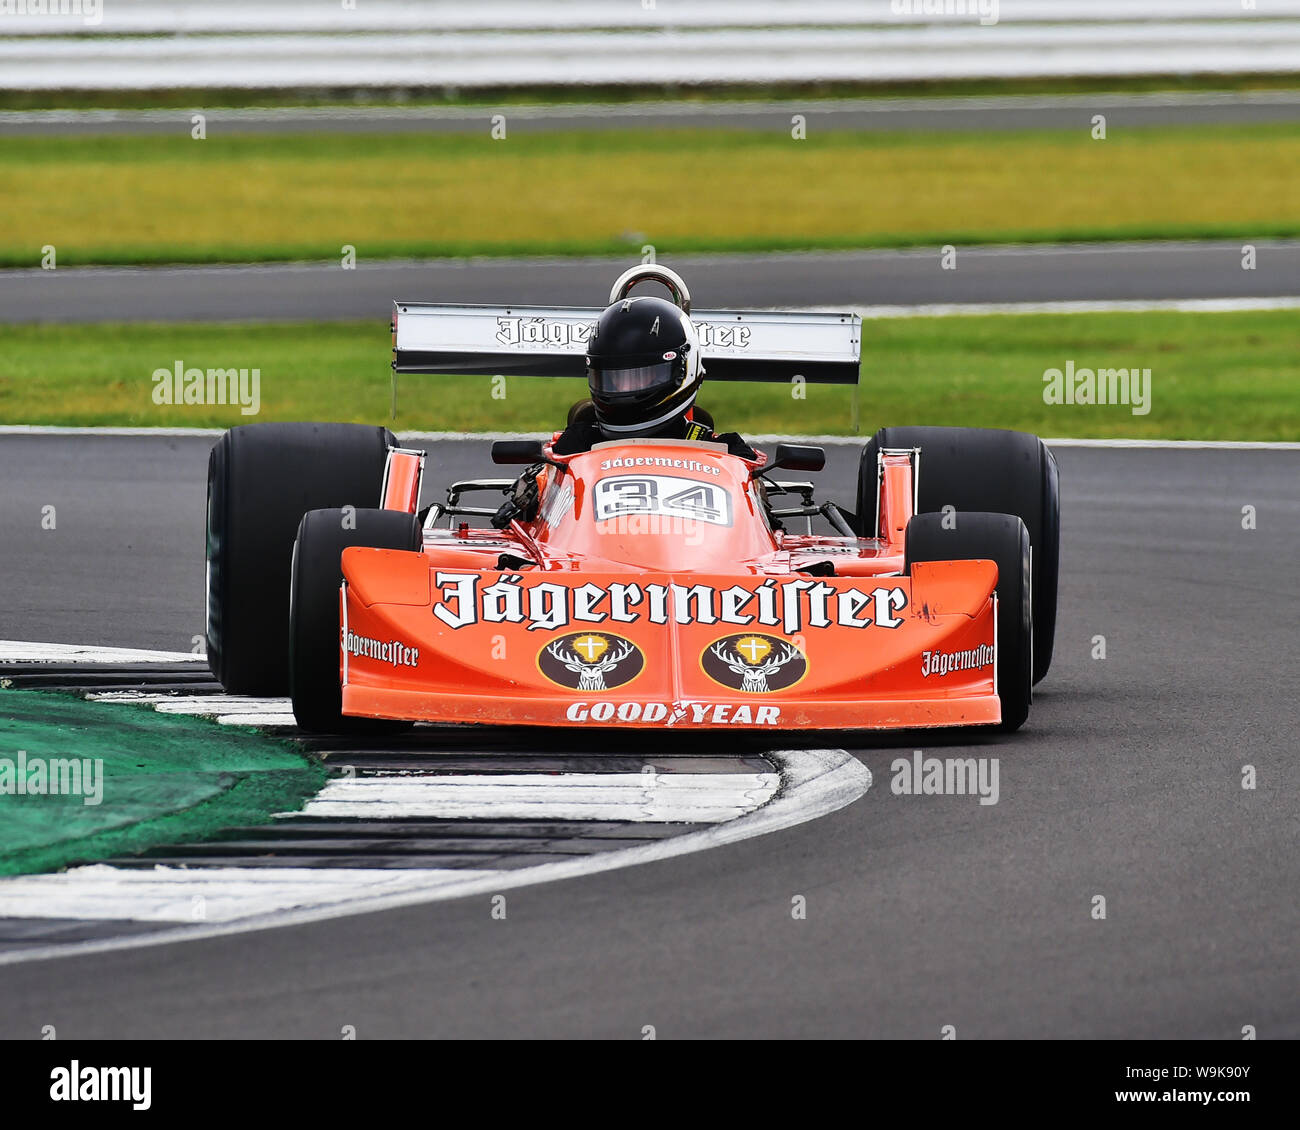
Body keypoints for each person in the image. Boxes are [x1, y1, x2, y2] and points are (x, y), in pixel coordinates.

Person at [552, 294, 756, 459]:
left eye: (641, 376)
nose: (625, 389)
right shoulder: (575, 447)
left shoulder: (729, 453)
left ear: (684, 370)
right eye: (615, 379)